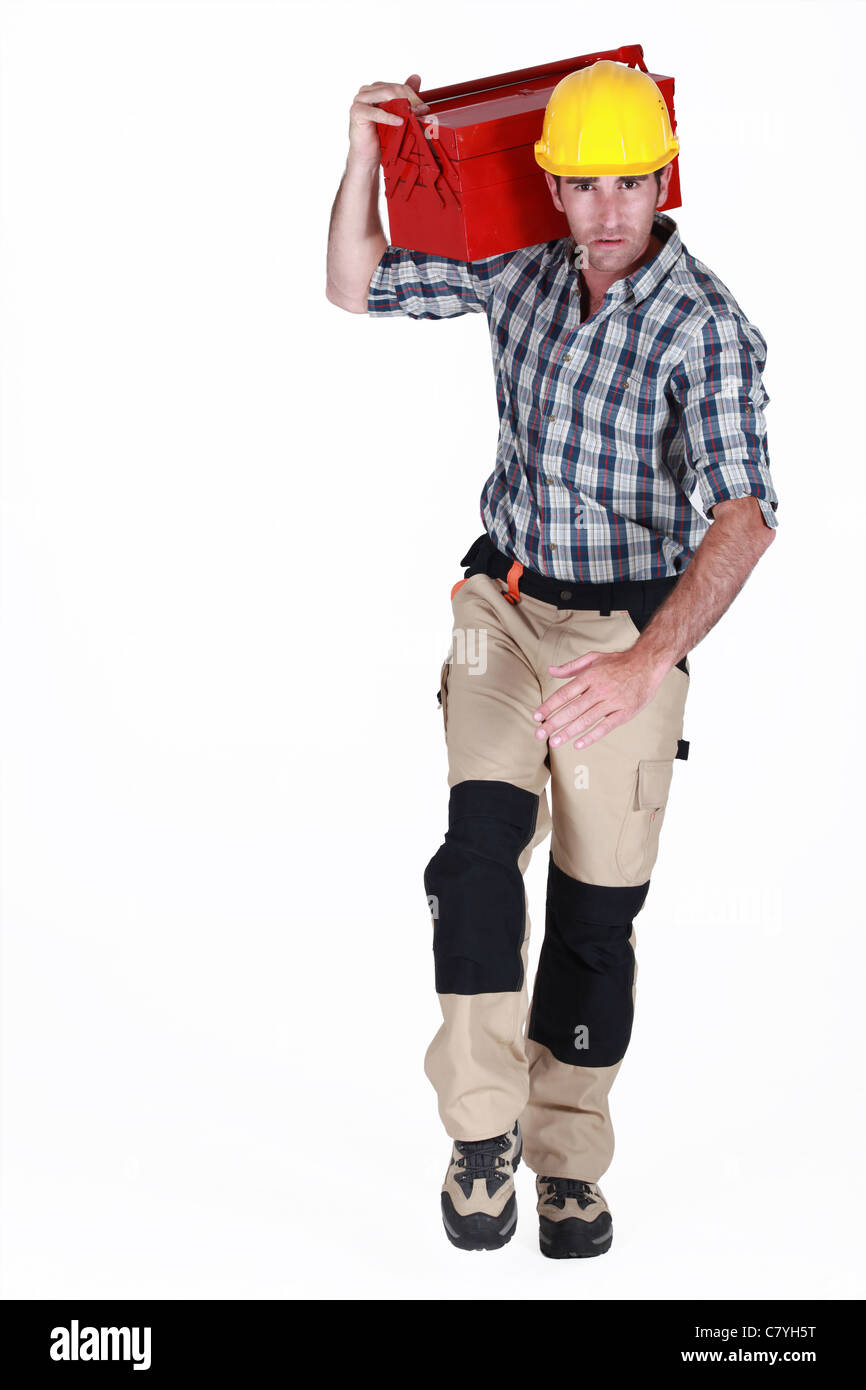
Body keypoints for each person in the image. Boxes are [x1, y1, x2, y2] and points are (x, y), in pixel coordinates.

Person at [325, 60, 779, 1259]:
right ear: (553, 186)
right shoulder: (523, 270)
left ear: (662, 176)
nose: (609, 209)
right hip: (503, 609)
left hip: (624, 635)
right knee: (475, 853)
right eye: (584, 184)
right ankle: (481, 1136)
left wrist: (641, 669)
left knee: (594, 916)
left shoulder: (705, 328)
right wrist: (365, 149)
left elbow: (744, 518)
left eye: (631, 180)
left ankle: (567, 1157)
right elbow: (353, 280)